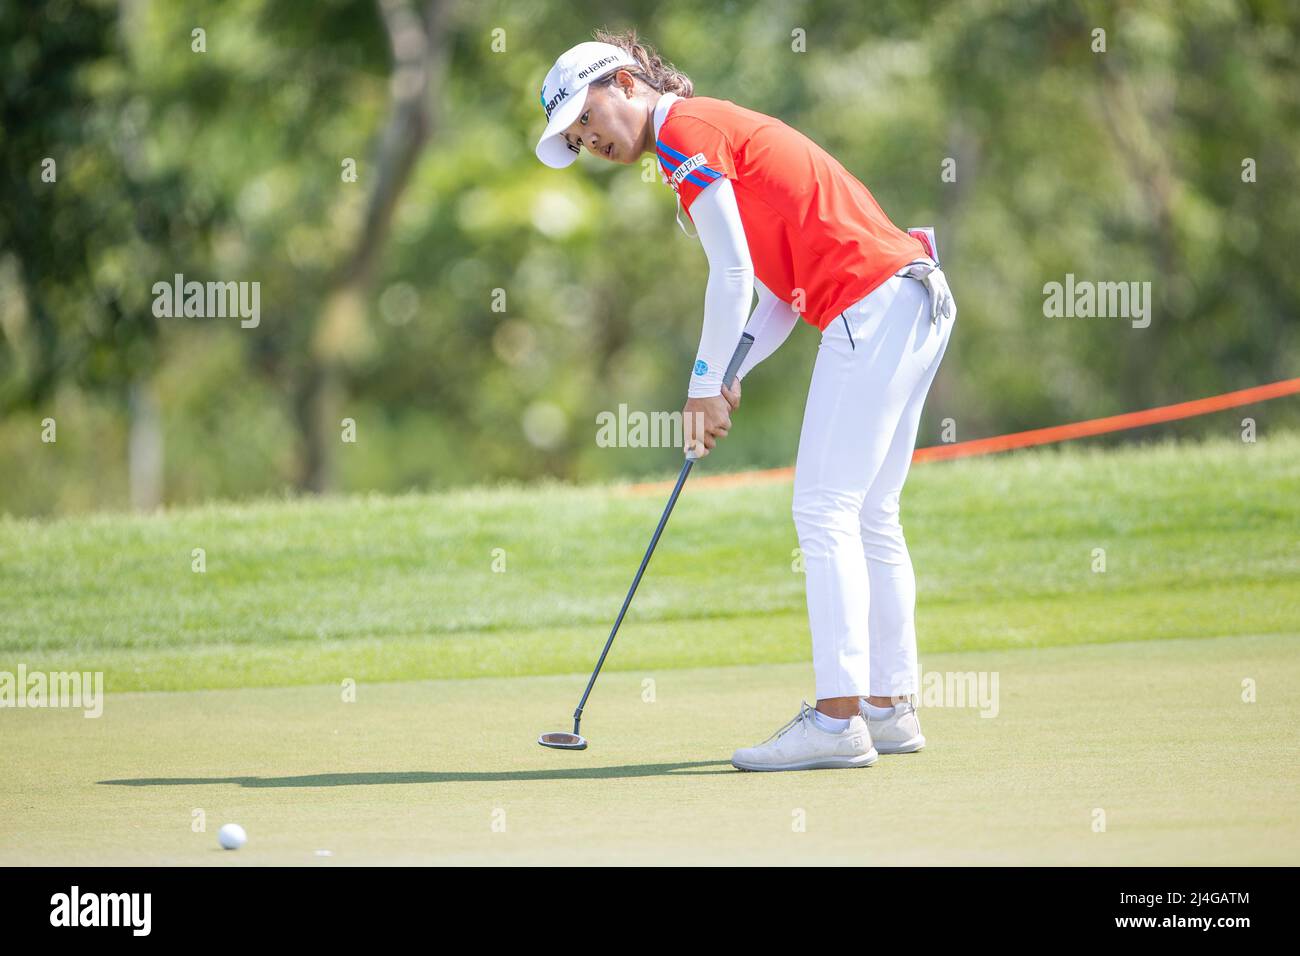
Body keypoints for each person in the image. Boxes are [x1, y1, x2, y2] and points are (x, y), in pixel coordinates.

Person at [534, 30, 956, 772]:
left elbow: (730, 275)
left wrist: (701, 388)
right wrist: (730, 371)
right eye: (574, 136)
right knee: (869, 514)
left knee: (824, 511)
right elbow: (778, 300)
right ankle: (889, 709)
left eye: (585, 117)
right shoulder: (703, 136)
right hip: (912, 297)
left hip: (875, 301)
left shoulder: (685, 134)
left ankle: (836, 724)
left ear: (626, 82)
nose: (586, 138)